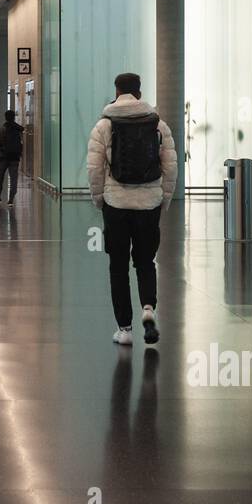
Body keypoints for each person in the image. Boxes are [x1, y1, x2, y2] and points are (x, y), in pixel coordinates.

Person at [86, 72, 178, 346]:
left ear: (117, 91)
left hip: (116, 204)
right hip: (148, 203)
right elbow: (170, 166)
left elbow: (94, 169)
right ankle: (148, 309)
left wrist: (99, 198)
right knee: (145, 262)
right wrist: (165, 198)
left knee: (118, 265)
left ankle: (124, 329)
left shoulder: (103, 125)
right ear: (139, 92)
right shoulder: (158, 125)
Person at [0, 109, 23, 205]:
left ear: (5, 117)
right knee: (14, 178)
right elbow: (21, 143)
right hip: (14, 158)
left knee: (0, 177)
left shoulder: (3, 128)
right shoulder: (19, 129)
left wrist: (1, 148)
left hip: (3, 157)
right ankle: (11, 200)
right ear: (14, 117)